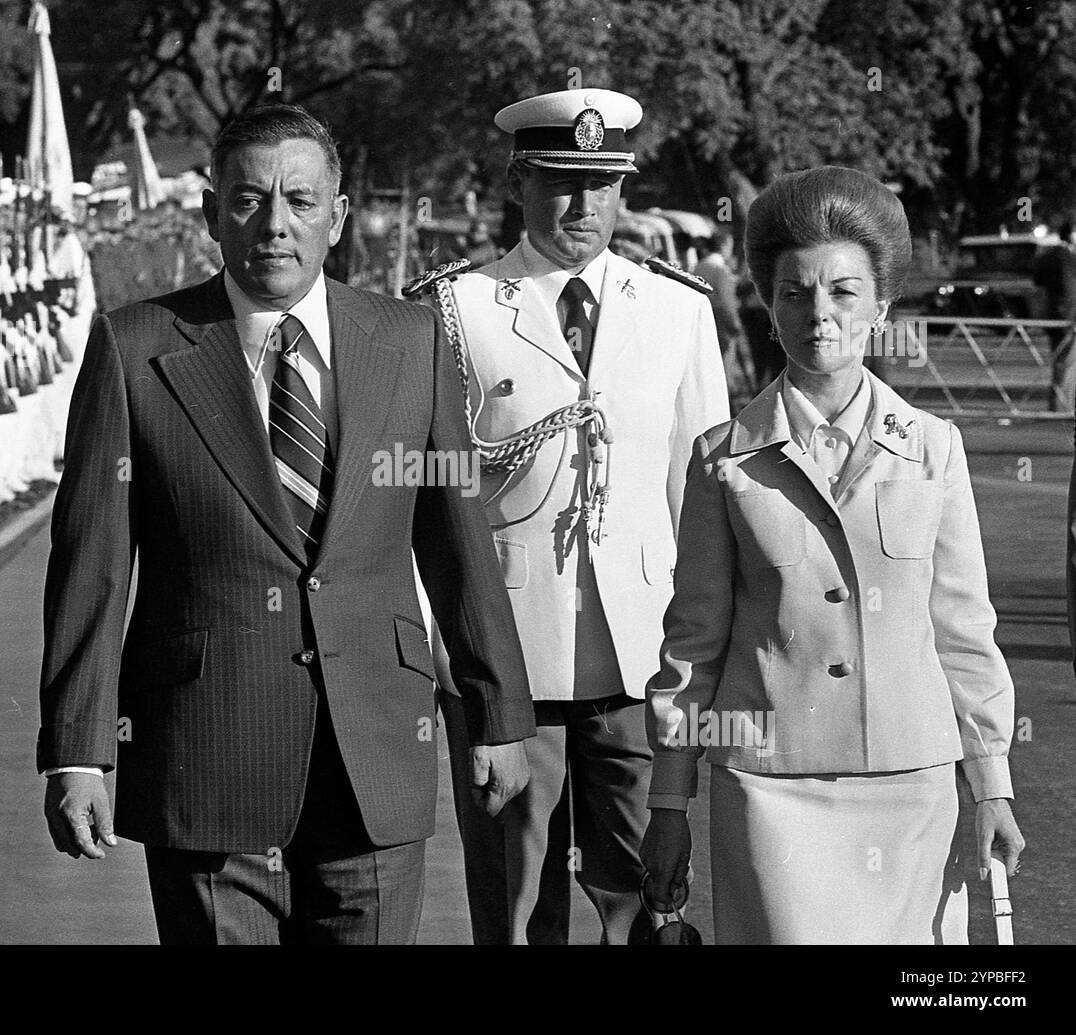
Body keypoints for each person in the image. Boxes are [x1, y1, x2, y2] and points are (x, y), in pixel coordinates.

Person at [38, 102, 535, 945]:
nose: (275, 224)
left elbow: (457, 540)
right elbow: (93, 565)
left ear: (336, 218)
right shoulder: (134, 348)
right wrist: (77, 750)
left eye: (300, 201)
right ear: (212, 212)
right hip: (206, 762)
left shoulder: (412, 341)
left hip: (374, 759)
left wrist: (500, 711)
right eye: (248, 199)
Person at [641, 166, 1025, 944]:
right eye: (795, 292)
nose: (820, 313)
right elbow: (692, 646)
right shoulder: (722, 459)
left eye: (844, 291)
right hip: (769, 792)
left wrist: (992, 784)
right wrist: (668, 801)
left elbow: (963, 630)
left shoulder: (935, 449)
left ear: (881, 306)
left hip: (914, 789)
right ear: (768, 305)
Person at [418, 88, 728, 944]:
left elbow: (701, 500)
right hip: (505, 661)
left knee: (649, 900)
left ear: (623, 188)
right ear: (518, 182)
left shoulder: (678, 309)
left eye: (602, 183)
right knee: (516, 909)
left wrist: (704, 657)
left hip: (642, 661)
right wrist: (445, 656)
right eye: (560, 181)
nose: (583, 204)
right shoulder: (455, 308)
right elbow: (427, 502)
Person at [1033, 221, 1076, 412]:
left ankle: (1058, 403)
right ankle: (1058, 404)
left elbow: (1037, 279)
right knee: (1063, 362)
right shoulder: (1068, 257)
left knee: (1062, 361)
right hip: (1066, 317)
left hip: (1056, 314)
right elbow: (1067, 289)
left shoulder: (1049, 256)